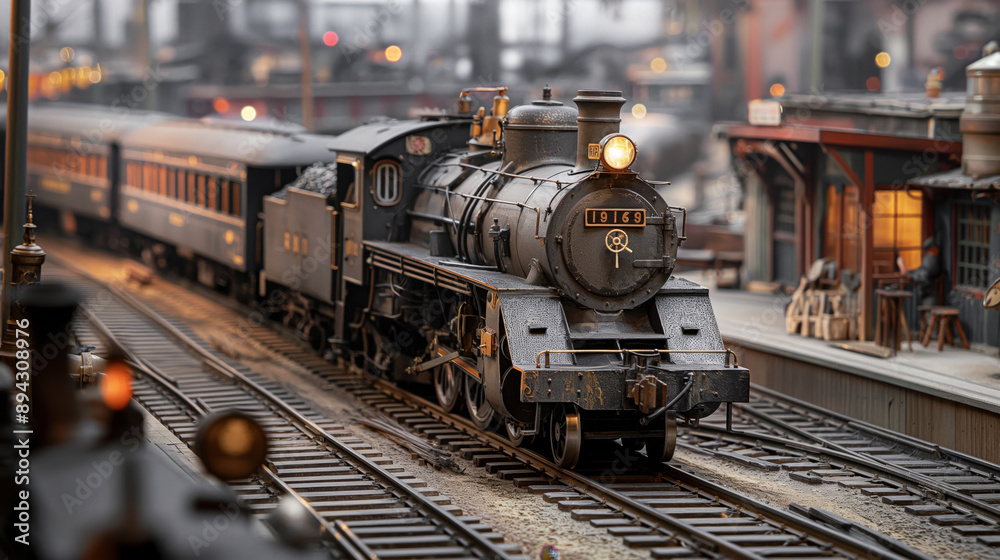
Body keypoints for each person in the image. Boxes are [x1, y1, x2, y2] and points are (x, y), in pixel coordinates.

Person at [899, 237, 942, 307]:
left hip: (929, 291)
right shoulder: (930, 258)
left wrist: (911, 275)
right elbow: (922, 271)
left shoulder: (931, 259)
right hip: (927, 290)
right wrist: (910, 273)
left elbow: (924, 274)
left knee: (928, 309)